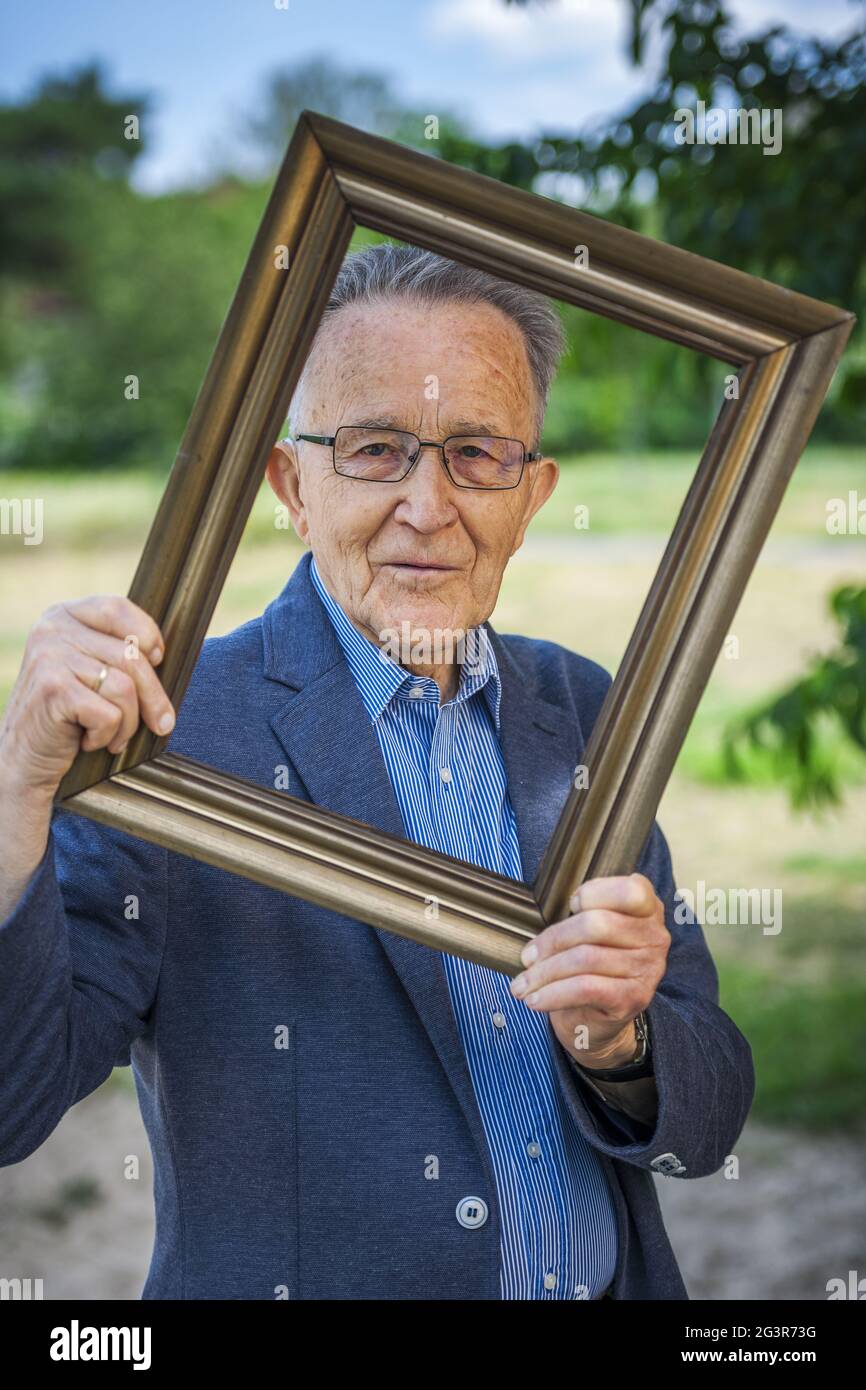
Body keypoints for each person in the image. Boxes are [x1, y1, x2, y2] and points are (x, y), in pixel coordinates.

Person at [0, 244, 754, 1300]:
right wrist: (14, 795)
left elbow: (706, 1123)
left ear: (531, 494)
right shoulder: (164, 735)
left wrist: (620, 1039)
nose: (428, 505)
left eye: (477, 453)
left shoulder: (584, 709)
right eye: (373, 448)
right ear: (290, 484)